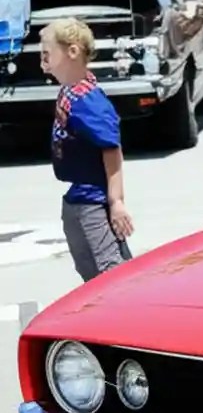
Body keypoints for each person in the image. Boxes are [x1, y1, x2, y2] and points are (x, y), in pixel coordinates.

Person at [39, 17, 135, 283]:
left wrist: (116, 202)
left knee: (113, 275)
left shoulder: (89, 102)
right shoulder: (71, 91)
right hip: (77, 198)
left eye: (47, 53)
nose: (42, 61)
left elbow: (112, 150)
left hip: (94, 202)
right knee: (90, 275)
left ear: (72, 52)